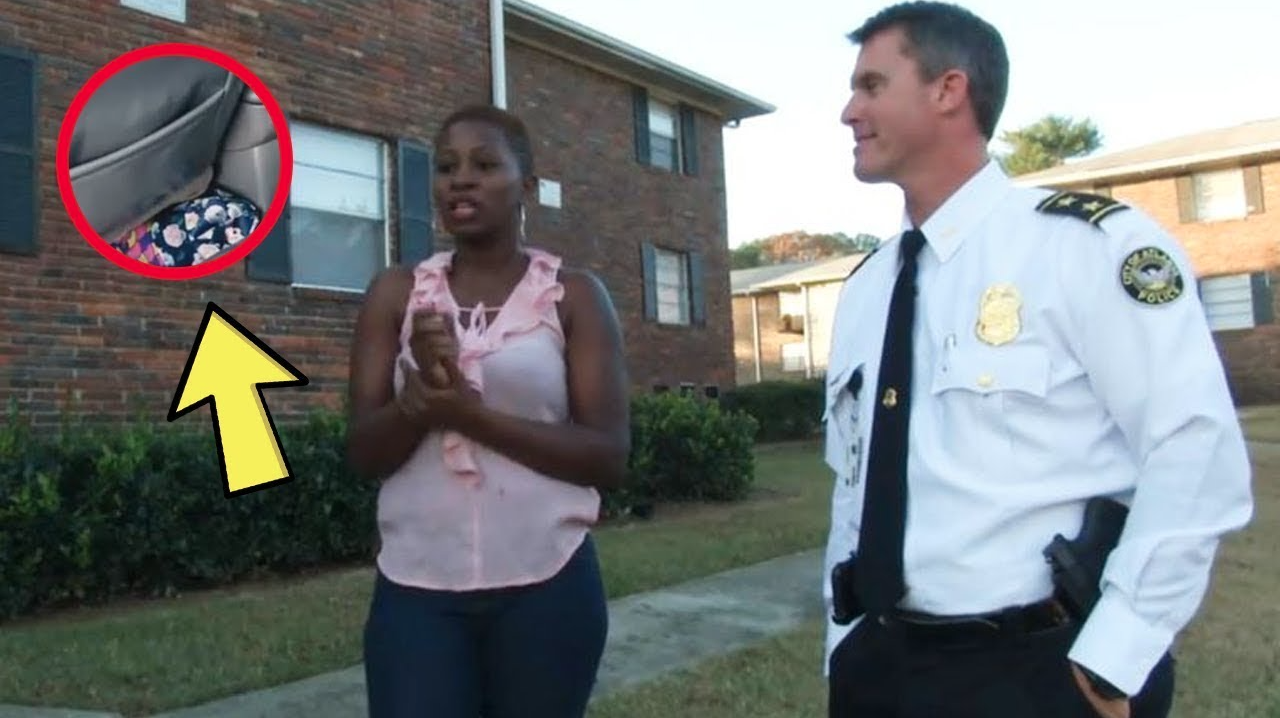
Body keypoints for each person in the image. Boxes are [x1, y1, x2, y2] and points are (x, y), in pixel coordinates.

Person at [821, 3, 1254, 717]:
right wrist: (844, 648)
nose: (847, 110)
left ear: (948, 90)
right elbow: (853, 488)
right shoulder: (868, 289)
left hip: (1041, 669)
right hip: (884, 669)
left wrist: (1120, 653)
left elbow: (1195, 450)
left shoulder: (1083, 249)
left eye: (871, 85)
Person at [344, 104, 630, 718]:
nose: (460, 180)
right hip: (418, 590)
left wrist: (470, 416)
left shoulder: (572, 296)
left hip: (548, 585)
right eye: (446, 167)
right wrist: (419, 401)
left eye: (484, 164)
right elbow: (364, 452)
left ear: (526, 187)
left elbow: (607, 456)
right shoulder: (397, 295)